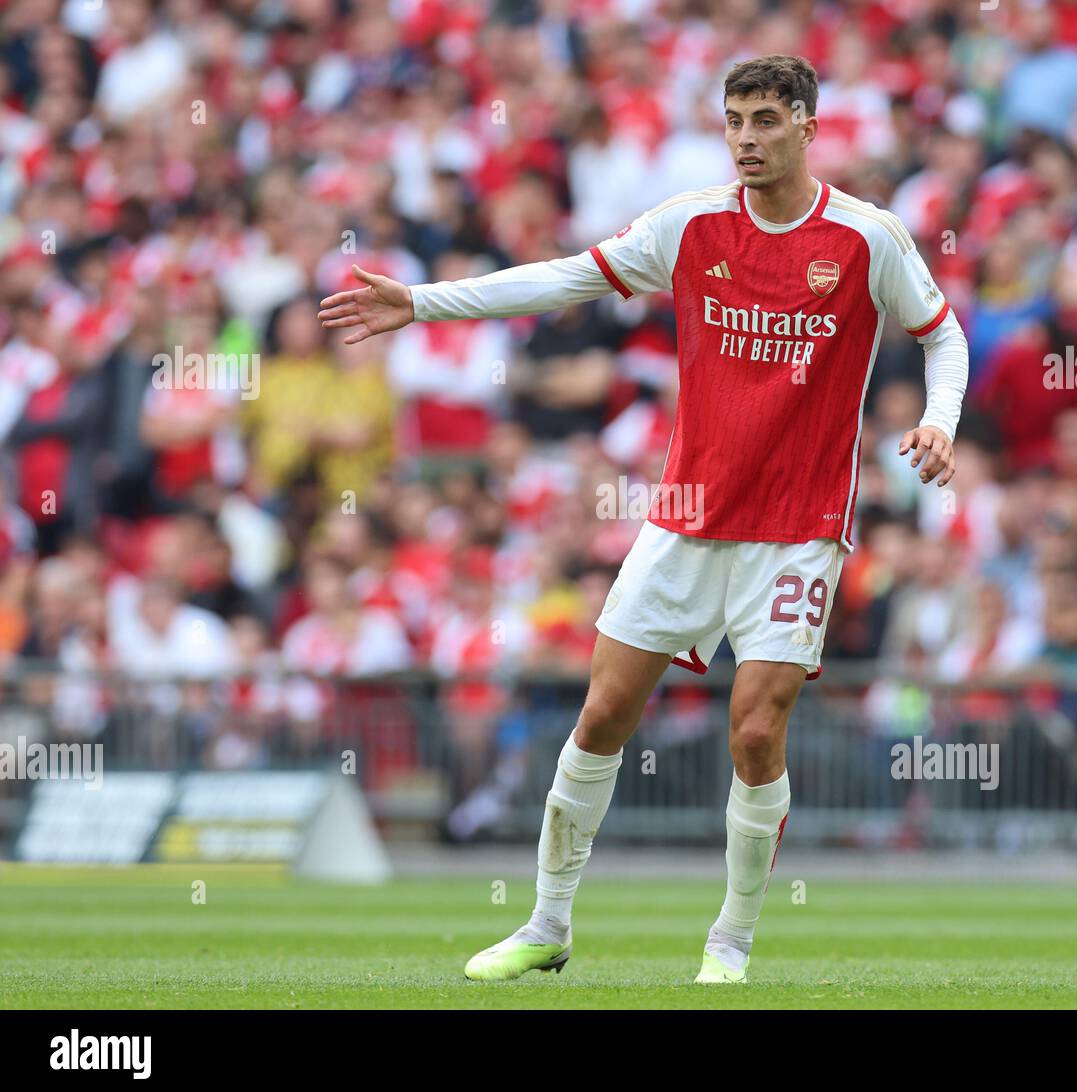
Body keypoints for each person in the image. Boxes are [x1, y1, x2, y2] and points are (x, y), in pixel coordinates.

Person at [319, 55, 969, 984]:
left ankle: (731, 942)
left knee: (755, 729)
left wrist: (939, 419)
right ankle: (546, 923)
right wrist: (423, 303)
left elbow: (941, 332)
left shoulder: (867, 238)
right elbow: (563, 279)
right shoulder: (690, 225)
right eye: (735, 120)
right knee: (603, 713)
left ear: (807, 127)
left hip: (799, 526)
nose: (747, 138)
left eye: (766, 121)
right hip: (687, 518)